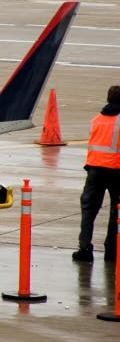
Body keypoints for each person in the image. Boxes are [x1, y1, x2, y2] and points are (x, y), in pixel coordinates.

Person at [73, 85, 120, 263]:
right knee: (116, 211)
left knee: (88, 209)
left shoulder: (97, 119)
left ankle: (84, 247)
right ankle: (112, 249)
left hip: (94, 170)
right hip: (116, 171)